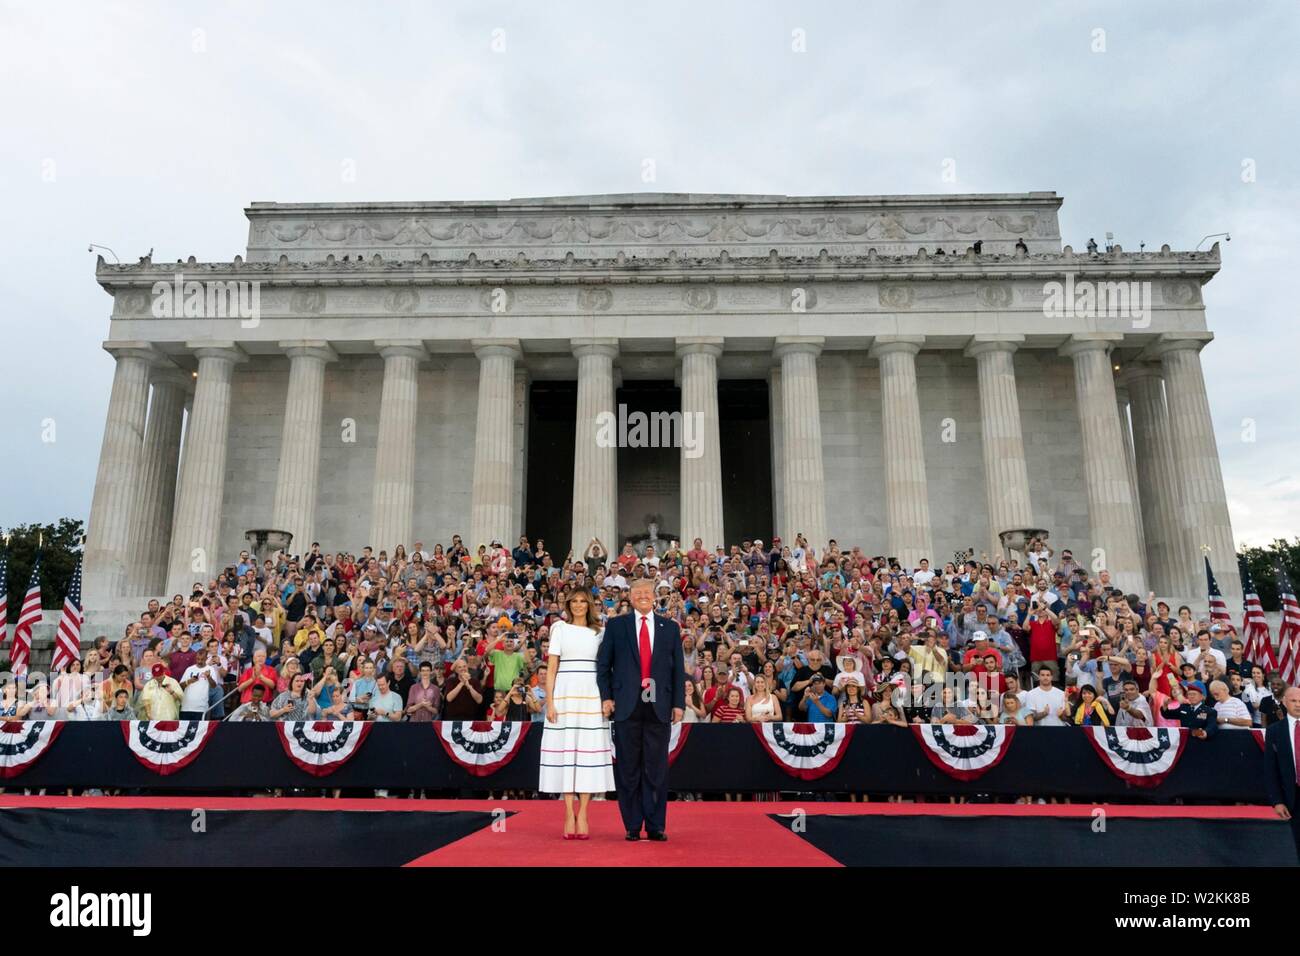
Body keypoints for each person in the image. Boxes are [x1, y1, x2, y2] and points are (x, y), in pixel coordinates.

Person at [596, 577, 685, 843]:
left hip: (658, 704)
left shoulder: (669, 628)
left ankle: (656, 825)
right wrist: (607, 697)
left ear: (654, 597)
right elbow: (604, 666)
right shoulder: (616, 625)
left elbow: (677, 670)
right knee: (628, 769)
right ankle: (632, 825)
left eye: (648, 592)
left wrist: (678, 703)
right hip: (625, 706)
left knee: (656, 770)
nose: (643, 596)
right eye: (638, 592)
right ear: (630, 596)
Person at [542, 588, 616, 839]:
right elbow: (551, 669)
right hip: (564, 695)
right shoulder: (558, 629)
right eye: (574, 601)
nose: (578, 605)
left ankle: (583, 812)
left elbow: (606, 668)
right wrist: (549, 703)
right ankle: (567, 811)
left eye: (583, 601)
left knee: (588, 754)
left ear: (590, 604)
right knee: (565, 752)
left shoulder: (600, 632)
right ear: (568, 604)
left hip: (591, 695)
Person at [1263, 686, 1300, 861]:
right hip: (1293, 796)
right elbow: (1271, 768)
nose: (1298, 705)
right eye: (1293, 701)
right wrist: (1277, 800)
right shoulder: (1274, 731)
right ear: (1284, 702)